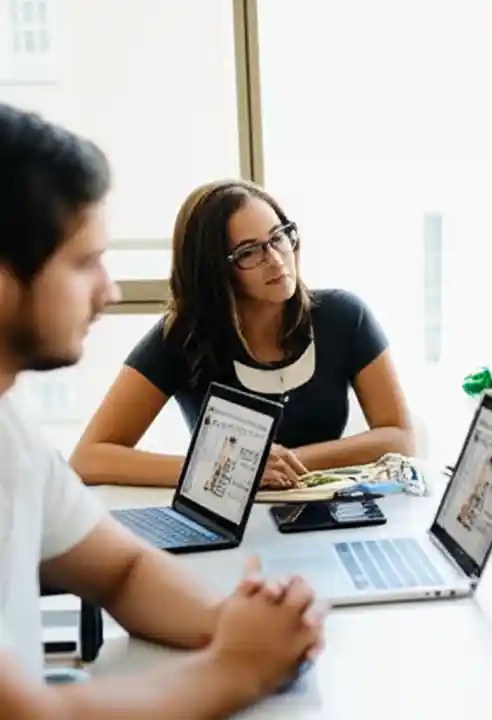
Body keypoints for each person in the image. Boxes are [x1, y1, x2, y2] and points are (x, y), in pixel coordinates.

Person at [0, 103, 326, 717]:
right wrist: (235, 666)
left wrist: (228, 622)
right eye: (82, 262)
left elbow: (120, 569)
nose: (110, 290)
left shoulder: (8, 425)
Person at [71, 179, 414, 489]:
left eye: (278, 236)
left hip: (323, 515)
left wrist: (275, 465)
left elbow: (399, 439)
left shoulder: (344, 316)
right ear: (213, 270)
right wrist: (216, 467)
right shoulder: (182, 337)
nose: (277, 260)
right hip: (225, 525)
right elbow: (89, 458)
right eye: (249, 252)